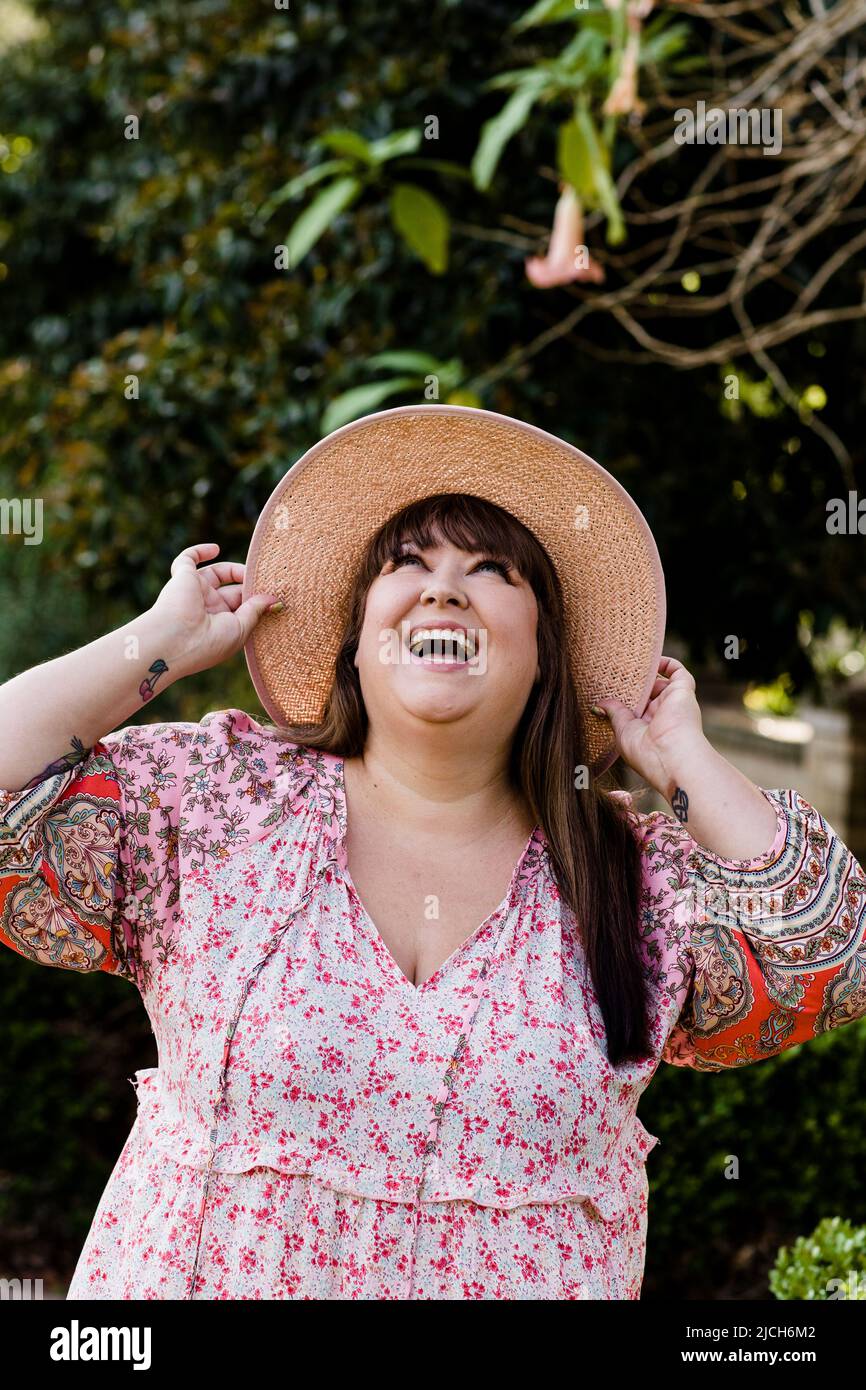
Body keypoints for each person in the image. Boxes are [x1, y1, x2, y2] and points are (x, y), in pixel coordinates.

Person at [0, 405, 864, 1301]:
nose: (444, 590)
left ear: (543, 657)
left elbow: (837, 947)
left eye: (493, 572)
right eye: (408, 564)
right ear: (355, 642)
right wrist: (157, 646)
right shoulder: (222, 799)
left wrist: (682, 758)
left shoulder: (632, 883)